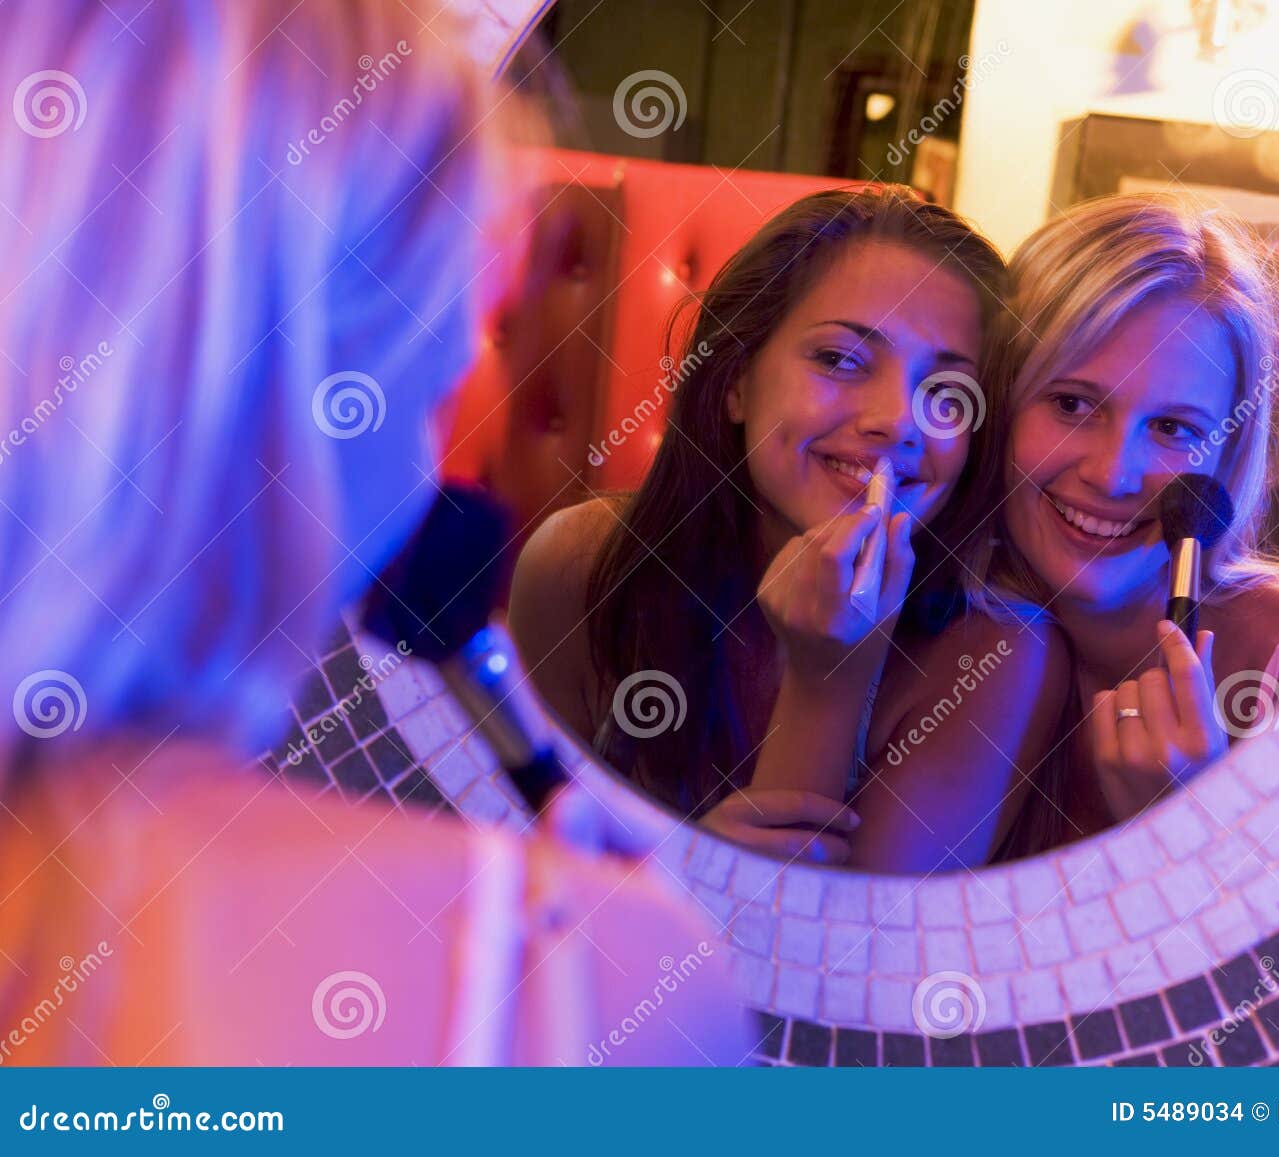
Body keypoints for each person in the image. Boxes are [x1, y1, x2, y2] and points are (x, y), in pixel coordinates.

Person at [0, 0, 747, 1066]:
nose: (435, 477)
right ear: (308, 397)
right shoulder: (578, 973)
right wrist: (600, 956)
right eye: (434, 399)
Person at [510, 188, 1072, 873]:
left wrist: (829, 673)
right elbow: (506, 879)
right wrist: (676, 872)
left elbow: (819, 935)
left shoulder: (997, 653)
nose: (899, 419)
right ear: (735, 381)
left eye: (948, 392)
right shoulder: (580, 563)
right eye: (840, 360)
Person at [970, 192, 1279, 848]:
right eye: (1071, 404)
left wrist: (1192, 832)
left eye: (1172, 427)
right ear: (997, 401)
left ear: (1230, 451)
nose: (1114, 474)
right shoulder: (942, 643)